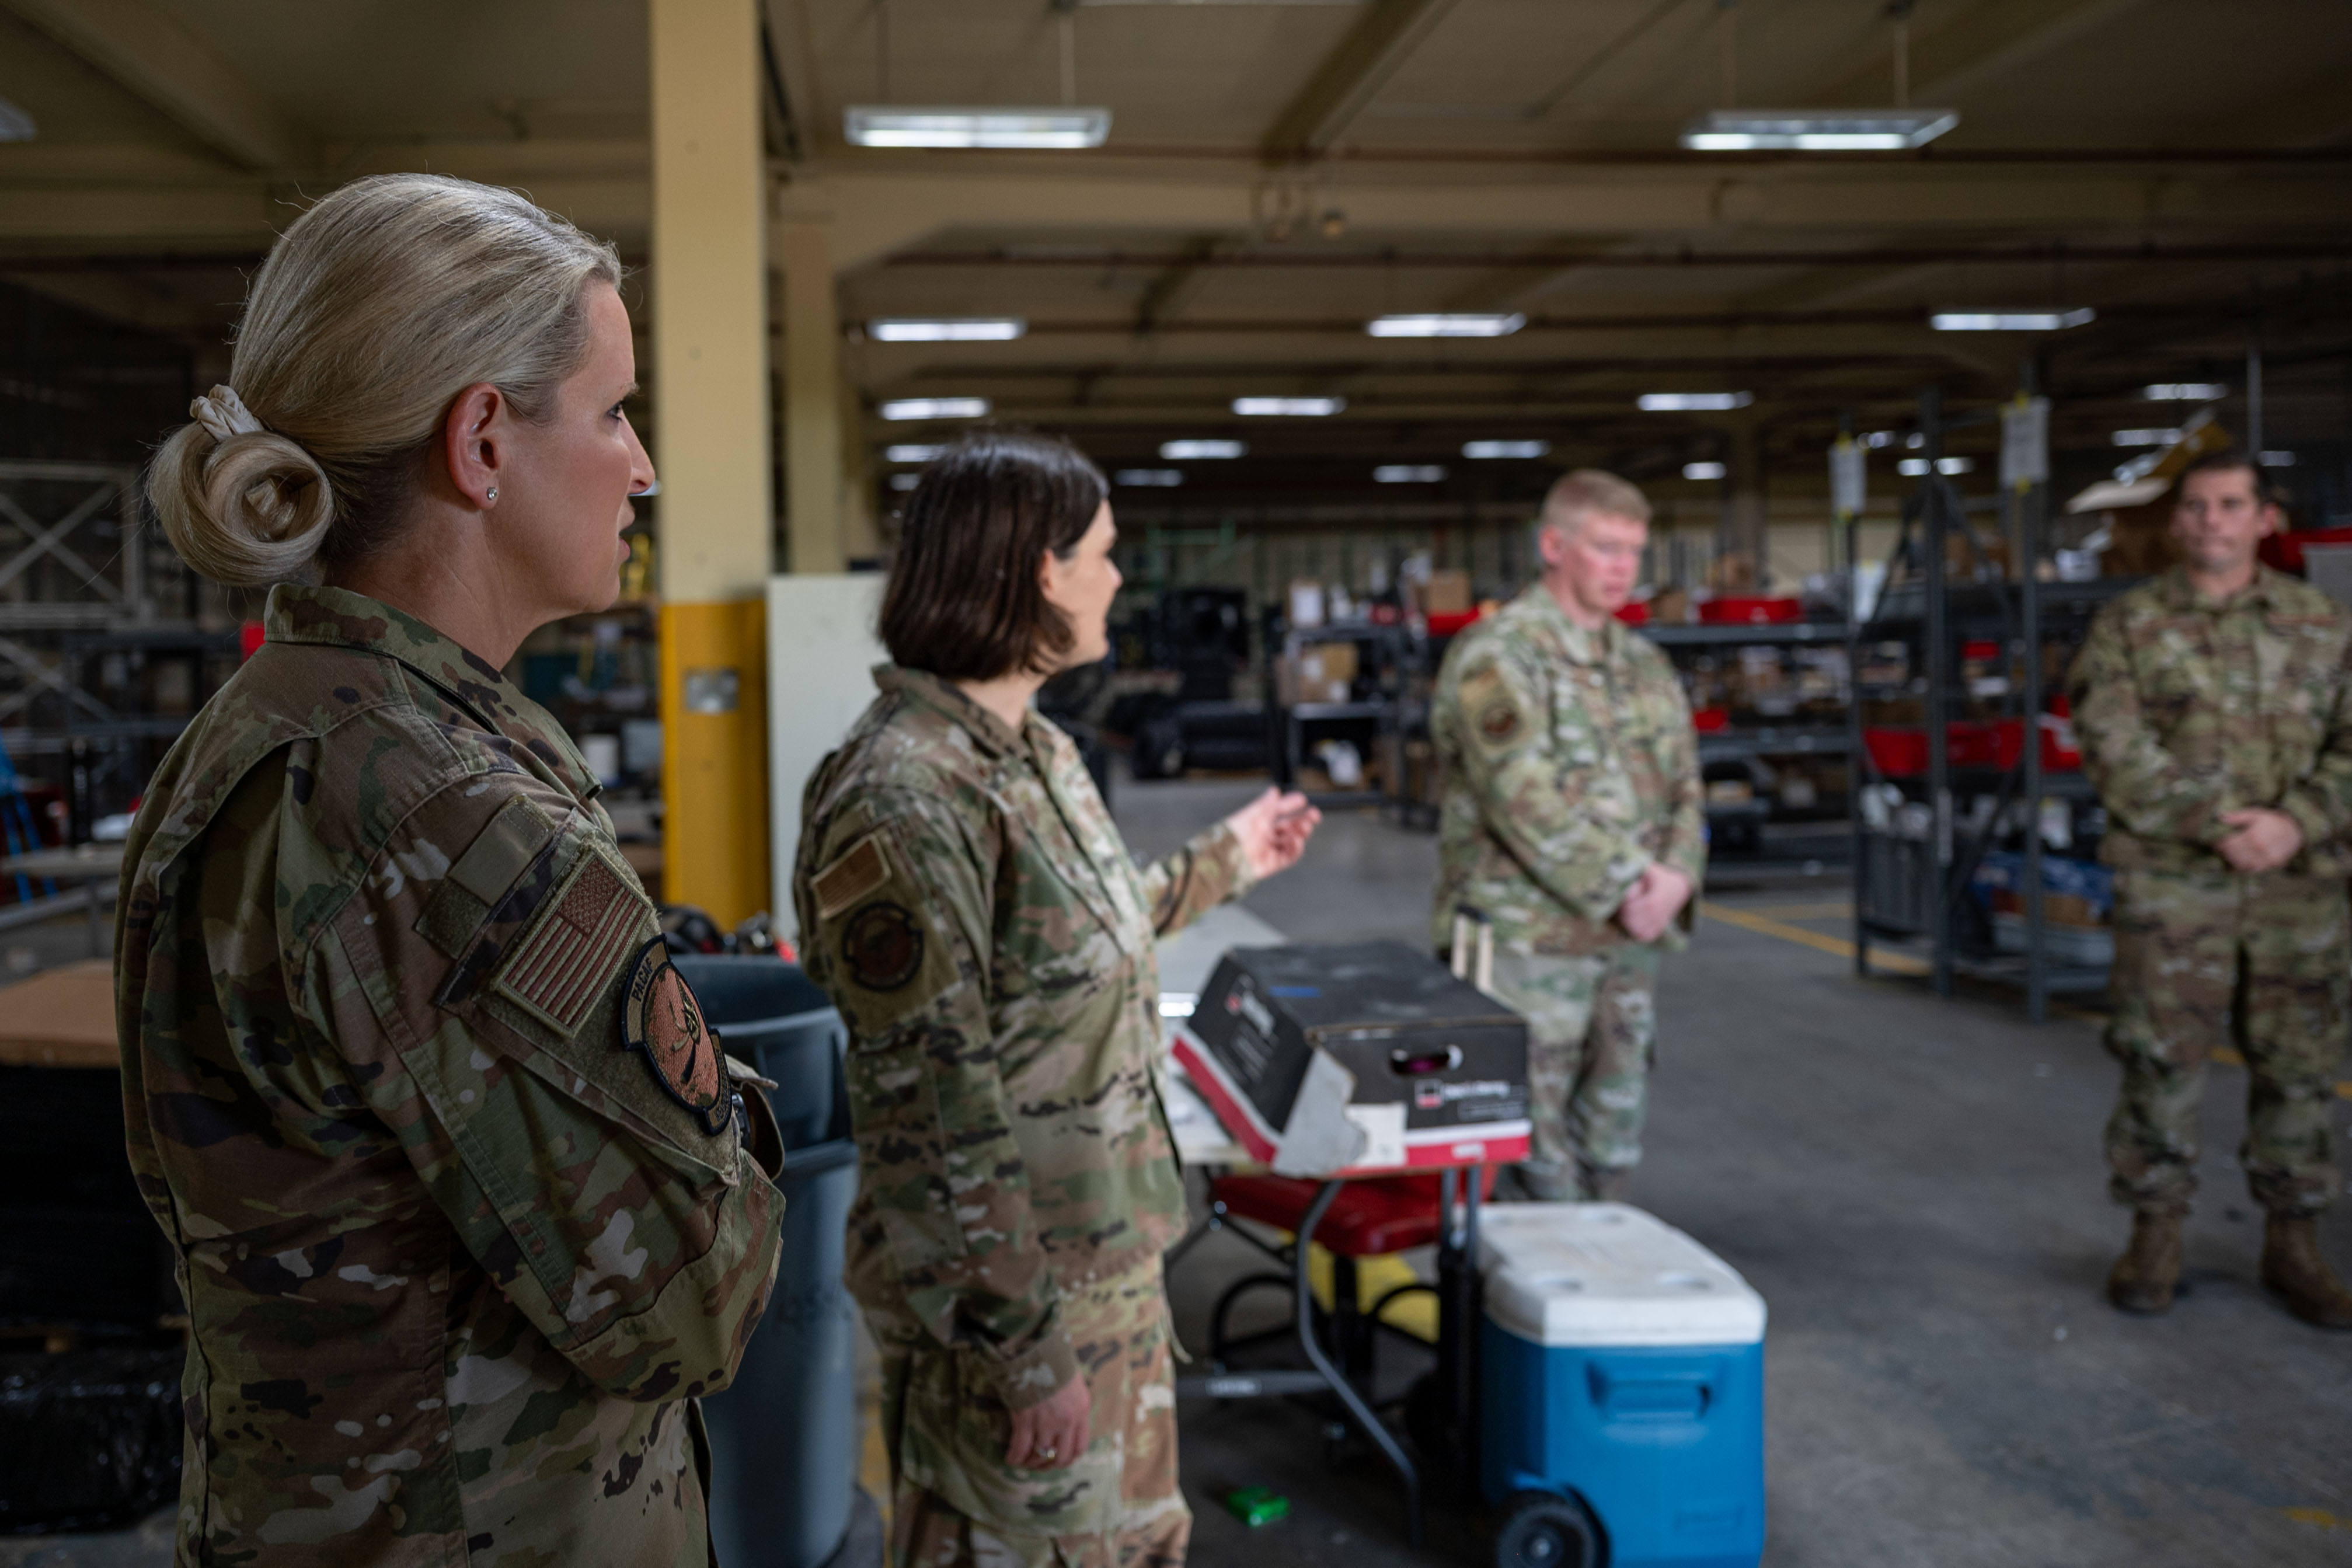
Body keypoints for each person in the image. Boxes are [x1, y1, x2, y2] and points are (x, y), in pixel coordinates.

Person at [116, 173, 786, 1566]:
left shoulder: (272, 729)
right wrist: (725, 1105)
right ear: (482, 440)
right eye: (610, 411)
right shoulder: (438, 813)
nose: (642, 462)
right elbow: (690, 1299)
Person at [792, 431, 1319, 1568]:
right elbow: (930, 1104)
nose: (1119, 578)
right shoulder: (906, 794)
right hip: (1017, 1314)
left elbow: (1077, 934)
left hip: (1107, 1281)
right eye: (1105, 552)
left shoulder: (1037, 752)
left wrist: (1225, 860)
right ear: (1040, 569)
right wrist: (1020, 1349)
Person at [2068, 447, 2352, 1330]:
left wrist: (2295, 822)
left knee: (2300, 1067)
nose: (2210, 522)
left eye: (2230, 505)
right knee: (2159, 1060)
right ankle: (2154, 1230)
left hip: (2298, 887)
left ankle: (2293, 1238)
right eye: (2194, 506)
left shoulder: (2323, 625)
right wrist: (2220, 825)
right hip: (2173, 888)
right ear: (2175, 520)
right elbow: (2110, 745)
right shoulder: (2128, 626)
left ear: (2264, 518)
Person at [1428, 469, 1705, 1203]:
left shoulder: (1644, 665)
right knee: (1521, 1145)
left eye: (1633, 552)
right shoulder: (1499, 657)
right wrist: (1628, 884)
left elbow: (1686, 786)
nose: (1623, 568)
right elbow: (1522, 798)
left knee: (1611, 1136)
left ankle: (1594, 1293)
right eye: (1605, 547)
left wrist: (1675, 879)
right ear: (1554, 545)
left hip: (1627, 944)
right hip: (1528, 947)